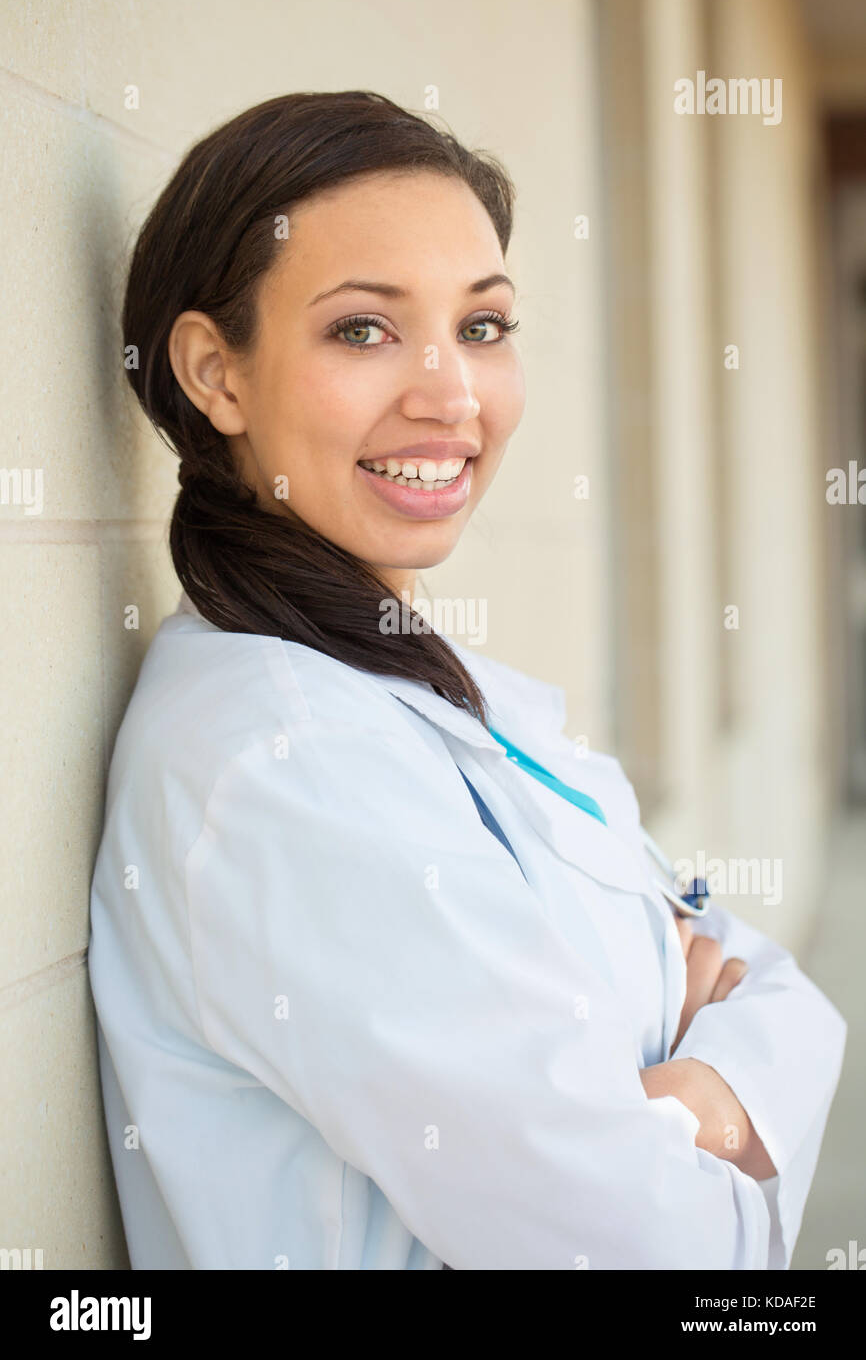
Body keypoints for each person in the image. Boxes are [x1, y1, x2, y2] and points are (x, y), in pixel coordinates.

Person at [88, 90, 846, 1270]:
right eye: (362, 330)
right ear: (214, 374)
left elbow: (786, 990)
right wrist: (706, 1083)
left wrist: (705, 1086)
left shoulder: (413, 695)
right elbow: (662, 1258)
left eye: (482, 326)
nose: (451, 396)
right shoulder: (286, 769)